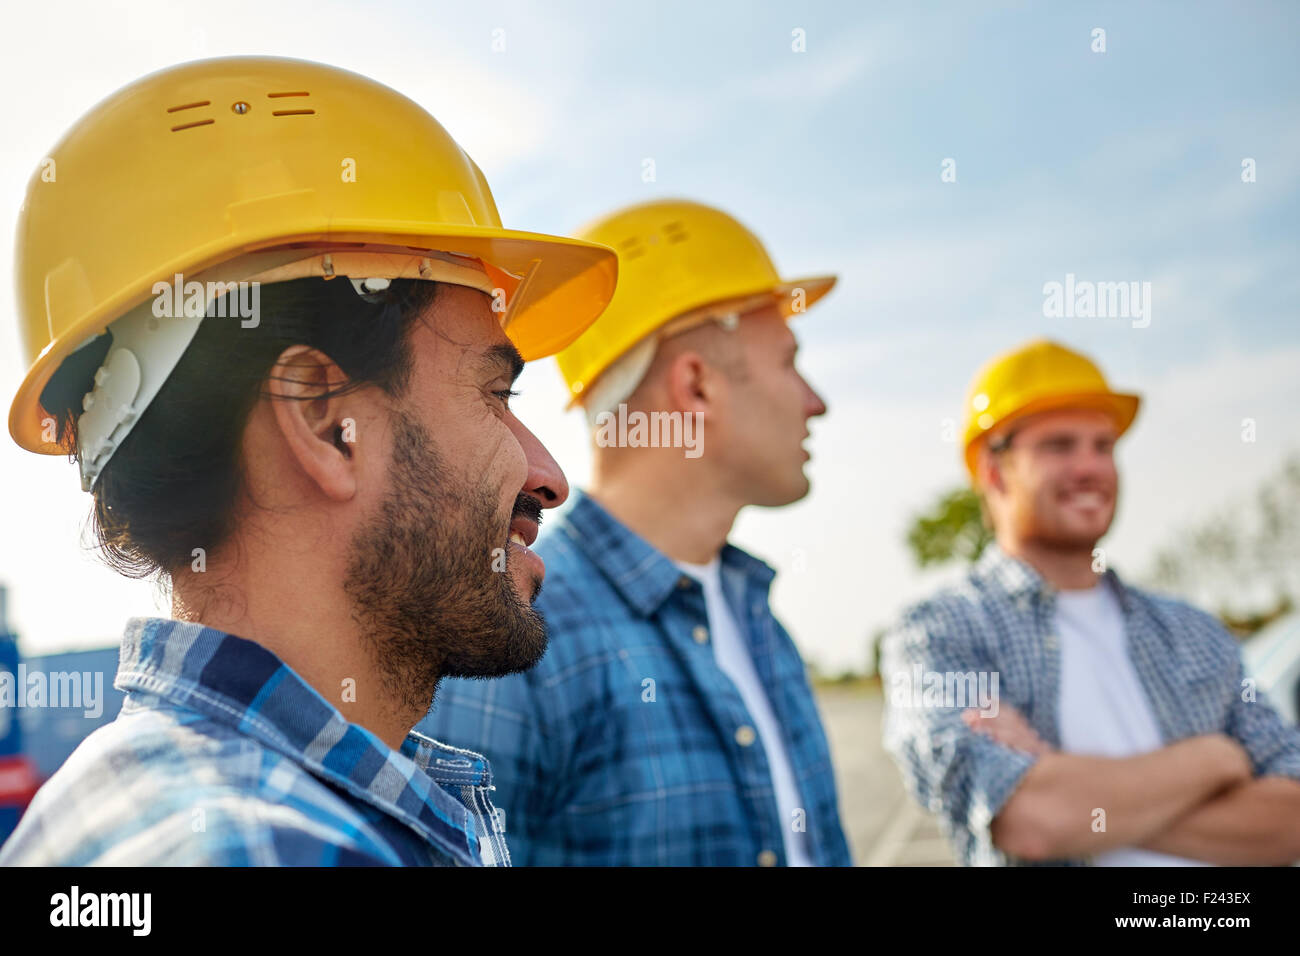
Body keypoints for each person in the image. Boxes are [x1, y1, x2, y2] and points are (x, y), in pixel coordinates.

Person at [0, 56, 617, 866]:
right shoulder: (263, 847)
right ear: (326, 426)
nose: (549, 477)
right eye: (495, 394)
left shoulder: (141, 805)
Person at [422, 198, 852, 866]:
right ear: (697, 384)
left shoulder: (760, 622)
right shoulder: (511, 639)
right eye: (788, 361)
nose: (814, 400)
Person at [881, 338, 1300, 866]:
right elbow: (1031, 820)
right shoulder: (942, 631)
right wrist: (1216, 760)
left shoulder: (1194, 631)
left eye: (1103, 446)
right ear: (993, 470)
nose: (1090, 468)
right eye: (1059, 445)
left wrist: (1084, 804)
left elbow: (1292, 820)